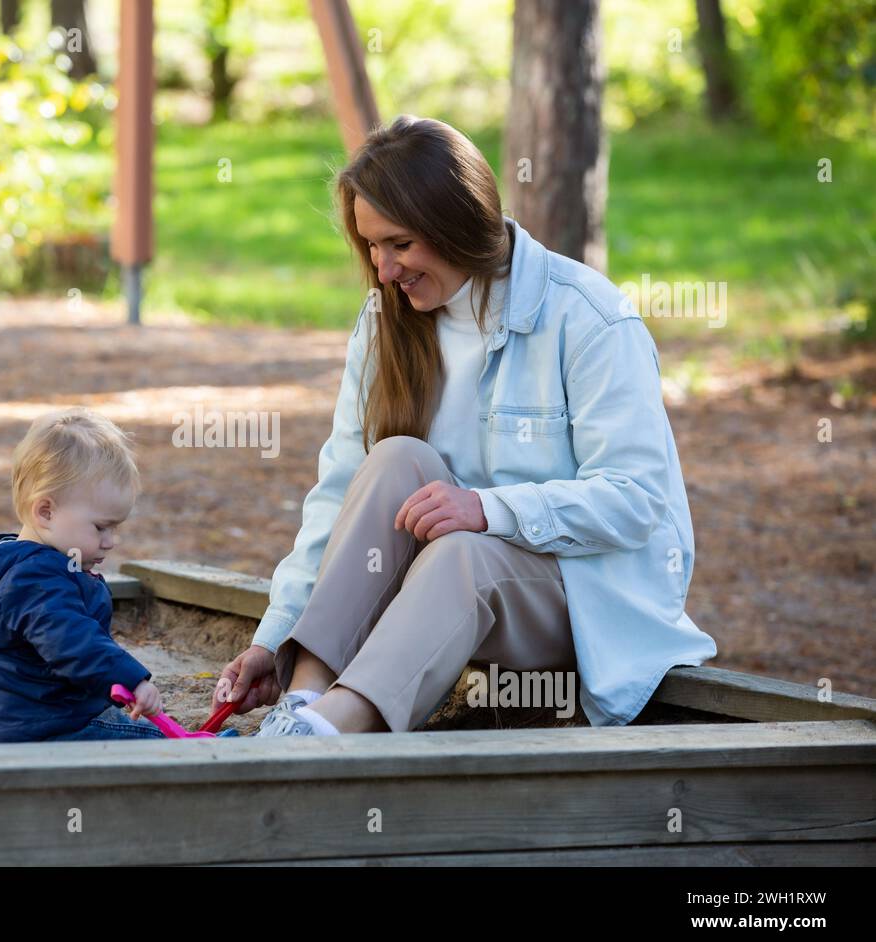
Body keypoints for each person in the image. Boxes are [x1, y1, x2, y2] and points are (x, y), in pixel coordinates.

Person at [215, 115, 717, 736]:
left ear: (455, 223)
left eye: (399, 245)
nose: (384, 270)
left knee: (463, 553)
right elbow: (339, 499)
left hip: (581, 599)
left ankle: (333, 732)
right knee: (395, 459)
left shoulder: (588, 318)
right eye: (372, 247)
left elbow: (636, 500)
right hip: (440, 600)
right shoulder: (385, 322)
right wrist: (275, 637)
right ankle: (304, 699)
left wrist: (487, 509)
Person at [0, 407, 217, 743]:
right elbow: (72, 642)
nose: (111, 541)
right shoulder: (37, 576)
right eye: (101, 527)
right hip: (50, 730)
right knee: (154, 744)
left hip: (4, 730)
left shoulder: (11, 565)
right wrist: (132, 678)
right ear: (46, 511)